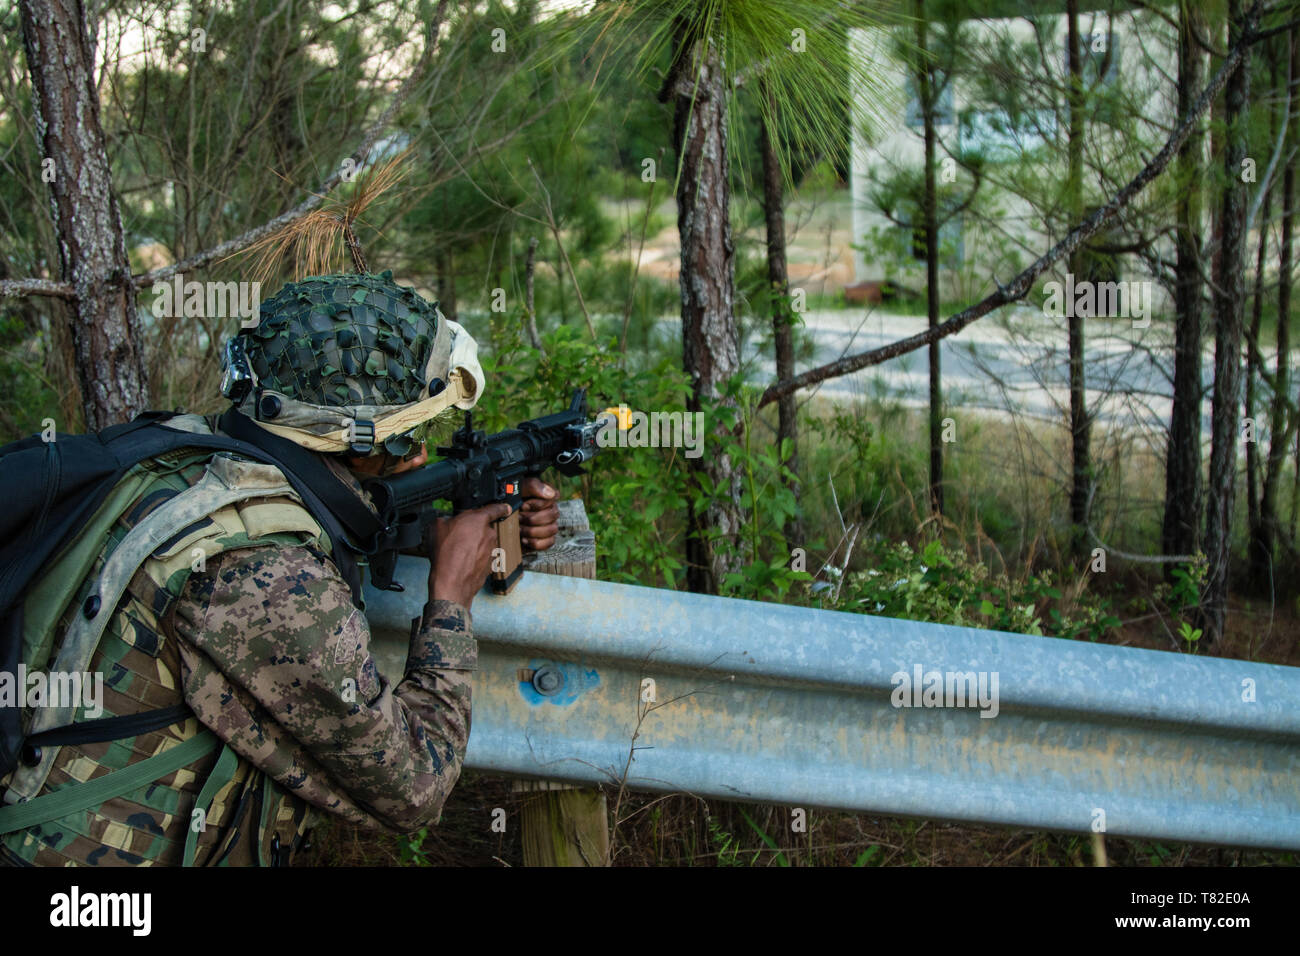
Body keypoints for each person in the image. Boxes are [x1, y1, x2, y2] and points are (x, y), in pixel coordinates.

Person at [0, 271, 559, 866]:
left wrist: (443, 532)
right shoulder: (270, 578)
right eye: (407, 433)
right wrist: (450, 599)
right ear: (356, 436)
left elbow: (333, 514)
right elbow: (416, 788)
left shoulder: (184, 453)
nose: (420, 450)